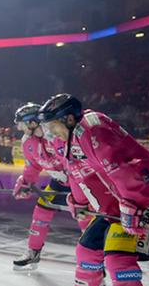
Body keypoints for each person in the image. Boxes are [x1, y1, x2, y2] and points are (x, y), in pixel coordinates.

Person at [39, 94, 149, 286]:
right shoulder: (72, 137)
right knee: (87, 250)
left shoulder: (94, 128)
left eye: (53, 125)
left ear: (68, 118)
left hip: (142, 199)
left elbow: (123, 167)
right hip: (116, 205)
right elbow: (78, 172)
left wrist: (132, 205)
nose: (50, 132)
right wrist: (79, 201)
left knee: (119, 261)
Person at [10, 103, 90, 270]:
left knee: (86, 221)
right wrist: (26, 182)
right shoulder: (28, 142)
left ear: (33, 123)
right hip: (59, 182)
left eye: (22, 123)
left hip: (79, 183)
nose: (19, 127)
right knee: (41, 211)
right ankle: (33, 253)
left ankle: (95, 267)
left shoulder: (57, 135)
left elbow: (77, 162)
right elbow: (33, 165)